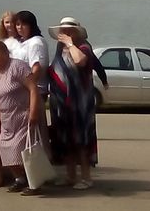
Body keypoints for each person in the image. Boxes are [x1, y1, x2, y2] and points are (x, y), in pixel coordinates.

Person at [48, 17, 98, 190]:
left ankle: (86, 178)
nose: (66, 33)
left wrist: (70, 44)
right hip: (61, 102)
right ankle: (70, 176)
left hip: (80, 104)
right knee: (66, 141)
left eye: (70, 30)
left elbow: (80, 61)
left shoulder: (84, 47)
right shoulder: (58, 50)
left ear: (77, 32)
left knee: (81, 140)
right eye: (64, 30)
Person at [0, 40, 41, 195]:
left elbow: (33, 89)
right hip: (6, 120)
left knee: (23, 152)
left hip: (22, 116)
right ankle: (19, 179)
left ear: (5, 53)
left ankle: (34, 183)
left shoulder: (18, 66)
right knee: (4, 148)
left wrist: (33, 113)